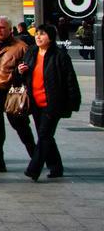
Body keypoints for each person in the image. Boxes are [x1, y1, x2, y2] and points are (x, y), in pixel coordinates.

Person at [18, 24, 81, 181]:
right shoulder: (31, 52)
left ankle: (33, 169)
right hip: (35, 102)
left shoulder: (60, 56)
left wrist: (73, 102)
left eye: (42, 34)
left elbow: (70, 80)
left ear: (51, 38)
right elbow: (22, 76)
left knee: (44, 135)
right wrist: (19, 71)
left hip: (53, 103)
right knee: (45, 135)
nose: (38, 37)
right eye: (37, 34)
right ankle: (56, 167)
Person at [0, 16, 36, 173]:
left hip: (13, 91)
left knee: (21, 126)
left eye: (2, 27)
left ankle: (37, 157)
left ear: (10, 29)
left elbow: (29, 71)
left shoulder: (21, 47)